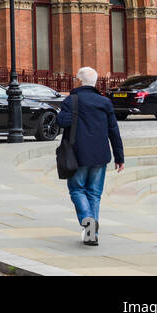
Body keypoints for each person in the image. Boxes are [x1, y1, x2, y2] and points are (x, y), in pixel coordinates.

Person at [56, 66, 125, 246]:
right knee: (94, 193)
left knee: (77, 189)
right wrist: (120, 157)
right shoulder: (104, 102)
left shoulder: (72, 100)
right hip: (100, 154)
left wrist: (75, 116)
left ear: (79, 81)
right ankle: (91, 234)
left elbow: (62, 121)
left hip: (78, 153)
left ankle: (87, 219)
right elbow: (114, 131)